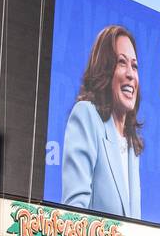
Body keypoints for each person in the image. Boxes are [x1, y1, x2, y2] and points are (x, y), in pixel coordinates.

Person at [61, 24, 144, 219]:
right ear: (105, 70)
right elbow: (74, 213)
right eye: (121, 62)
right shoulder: (86, 116)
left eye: (134, 65)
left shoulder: (132, 144)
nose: (131, 74)